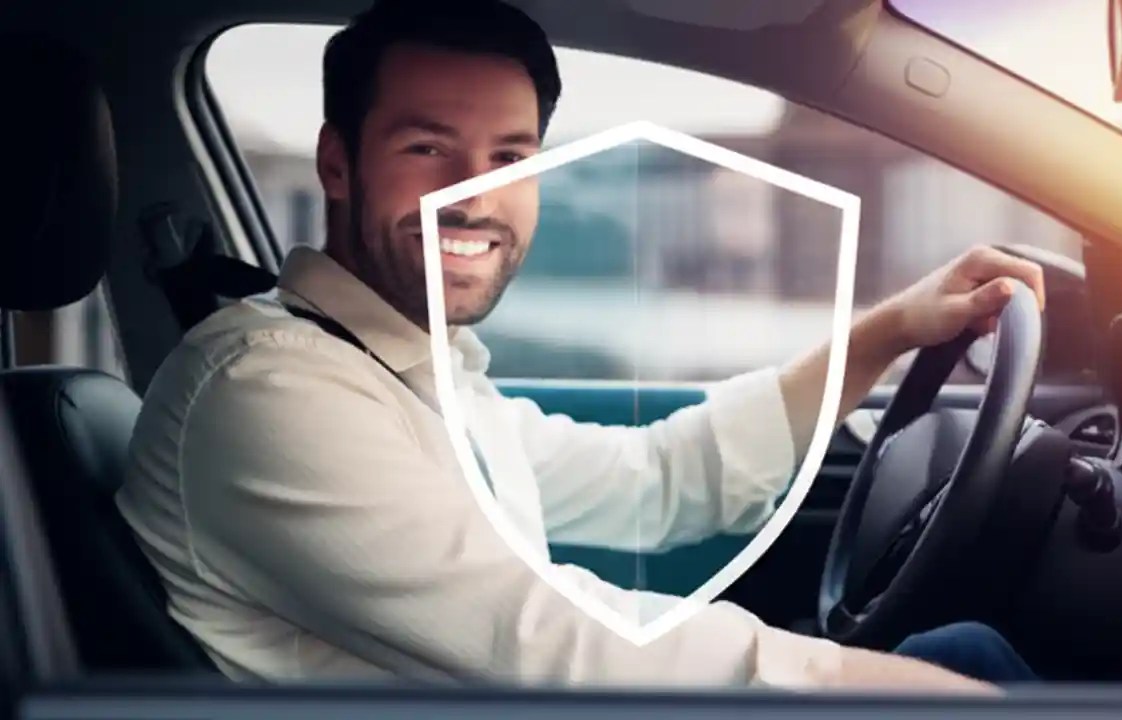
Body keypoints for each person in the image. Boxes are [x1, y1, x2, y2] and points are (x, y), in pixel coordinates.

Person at [117, 0, 1043, 692]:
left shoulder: (407, 371)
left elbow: (660, 478)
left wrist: (887, 331)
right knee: (967, 668)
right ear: (336, 163)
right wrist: (879, 687)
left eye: (510, 157)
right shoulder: (270, 390)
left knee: (964, 651)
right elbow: (555, 644)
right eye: (427, 149)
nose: (473, 197)